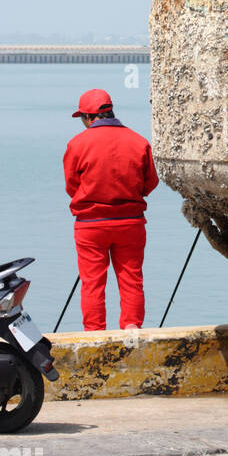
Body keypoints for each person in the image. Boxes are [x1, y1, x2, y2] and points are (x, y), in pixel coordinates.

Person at [63, 89, 159, 331]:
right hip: (130, 222)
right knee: (132, 280)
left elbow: (71, 185)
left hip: (90, 225)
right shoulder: (139, 141)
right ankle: (132, 328)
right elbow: (151, 182)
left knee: (92, 283)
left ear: (88, 117)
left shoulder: (77, 144)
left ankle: (95, 334)